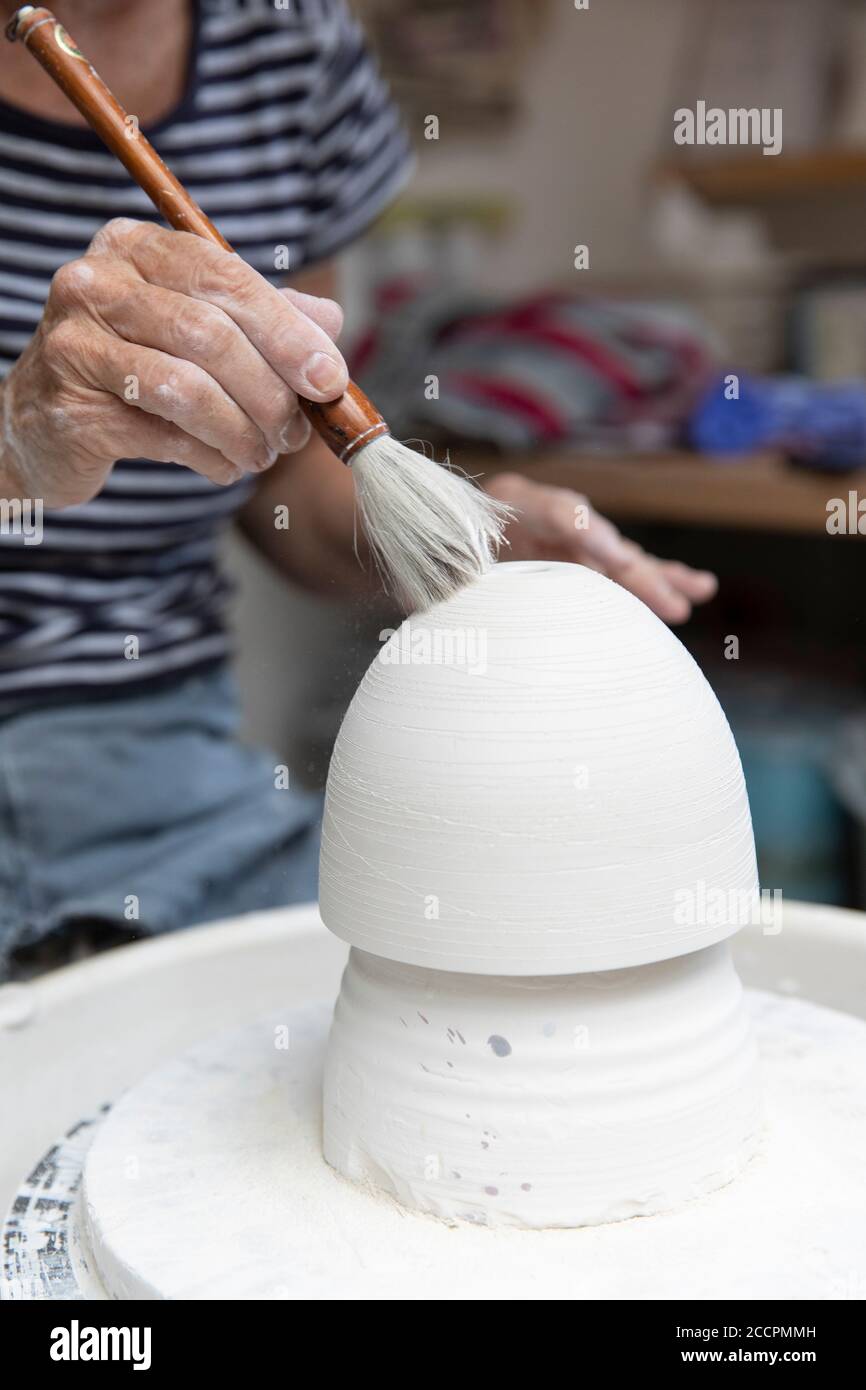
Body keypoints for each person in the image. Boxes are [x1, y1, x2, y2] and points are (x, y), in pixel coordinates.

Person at [0, 0, 716, 976]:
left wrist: (464, 543)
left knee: (451, 972)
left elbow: (287, 462)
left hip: (173, 756)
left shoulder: (291, 44)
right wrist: (16, 445)